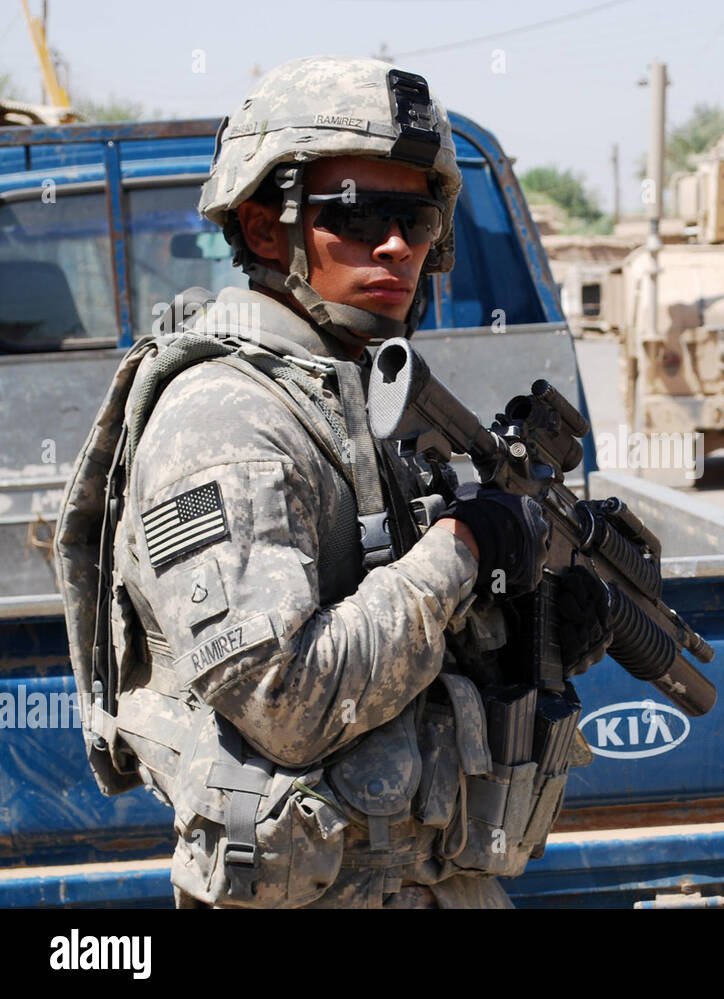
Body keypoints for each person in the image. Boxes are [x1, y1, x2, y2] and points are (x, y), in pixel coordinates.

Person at [56, 55, 601, 909]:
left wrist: (533, 625)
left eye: (415, 218)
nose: (395, 245)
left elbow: (397, 637)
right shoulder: (230, 417)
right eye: (357, 215)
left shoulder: (349, 390)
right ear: (264, 227)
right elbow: (286, 698)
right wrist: (465, 548)